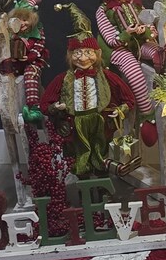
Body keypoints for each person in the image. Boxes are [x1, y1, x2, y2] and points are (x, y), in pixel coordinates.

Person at [74, 0, 165, 147]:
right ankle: (147, 117)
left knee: (158, 52)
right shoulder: (103, 11)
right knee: (133, 69)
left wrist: (147, 31)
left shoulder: (135, 4)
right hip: (115, 49)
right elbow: (111, 39)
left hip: (135, 43)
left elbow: (145, 27)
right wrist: (128, 33)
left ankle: (162, 88)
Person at [40, 24, 135, 178]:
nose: (83, 58)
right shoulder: (63, 79)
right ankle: (83, 182)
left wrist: (120, 110)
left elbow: (129, 99)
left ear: (97, 54)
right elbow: (45, 104)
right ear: (70, 55)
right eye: (78, 53)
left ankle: (102, 181)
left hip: (101, 123)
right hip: (75, 125)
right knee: (78, 154)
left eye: (88, 53)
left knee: (101, 152)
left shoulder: (107, 76)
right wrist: (54, 108)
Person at [4, 0, 49, 126]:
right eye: (19, 19)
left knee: (31, 74)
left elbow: (40, 46)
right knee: (6, 76)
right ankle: (7, 110)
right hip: (16, 63)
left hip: (32, 61)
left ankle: (33, 108)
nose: (22, 23)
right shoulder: (13, 33)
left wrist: (30, 57)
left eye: (25, 19)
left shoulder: (37, 31)